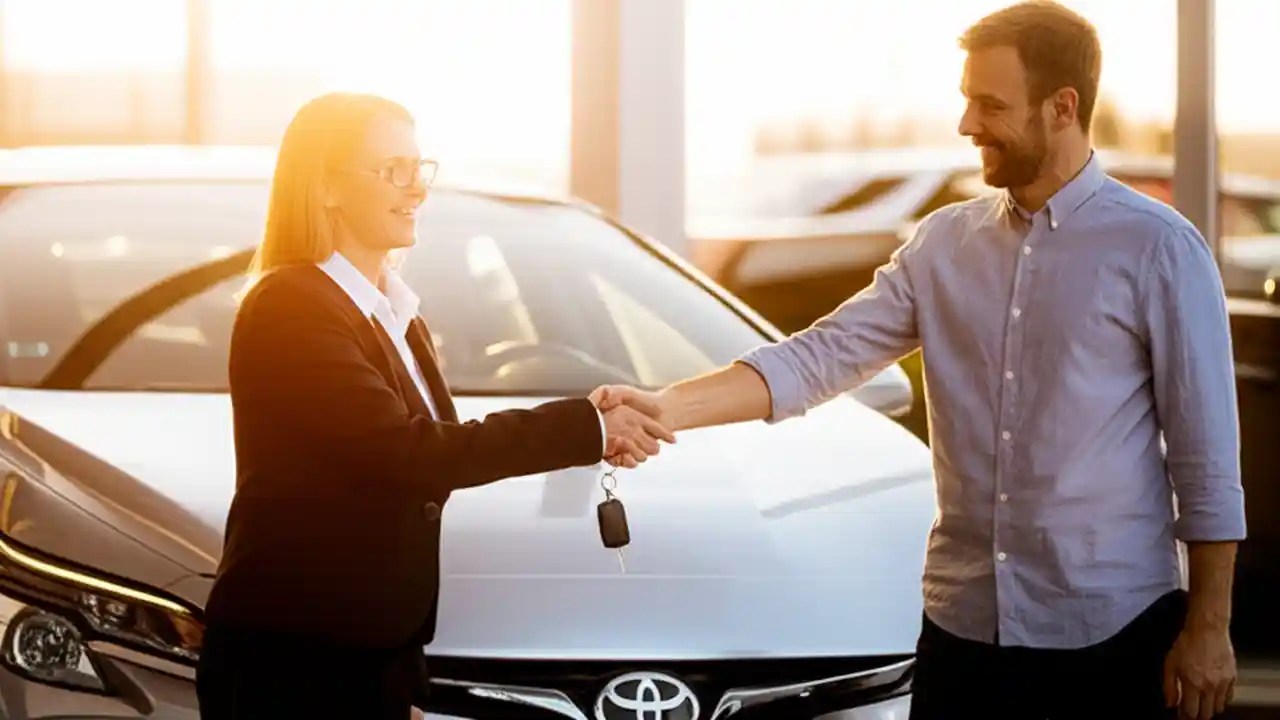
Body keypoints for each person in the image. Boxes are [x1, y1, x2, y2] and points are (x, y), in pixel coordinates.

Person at [593, 2, 1244, 718]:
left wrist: (1209, 627)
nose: (967, 125)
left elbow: (1205, 456)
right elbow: (818, 358)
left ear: (1063, 107)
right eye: (966, 101)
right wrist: (663, 407)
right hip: (963, 633)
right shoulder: (942, 246)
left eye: (990, 105)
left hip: (1110, 636)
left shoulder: (1158, 249)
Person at [195, 92, 674, 719]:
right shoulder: (292, 307)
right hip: (296, 666)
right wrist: (582, 426)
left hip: (372, 657)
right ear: (328, 186)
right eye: (393, 170)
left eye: (420, 169)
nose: (416, 189)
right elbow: (409, 453)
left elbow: (437, 455)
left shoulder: (394, 313)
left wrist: (399, 681)